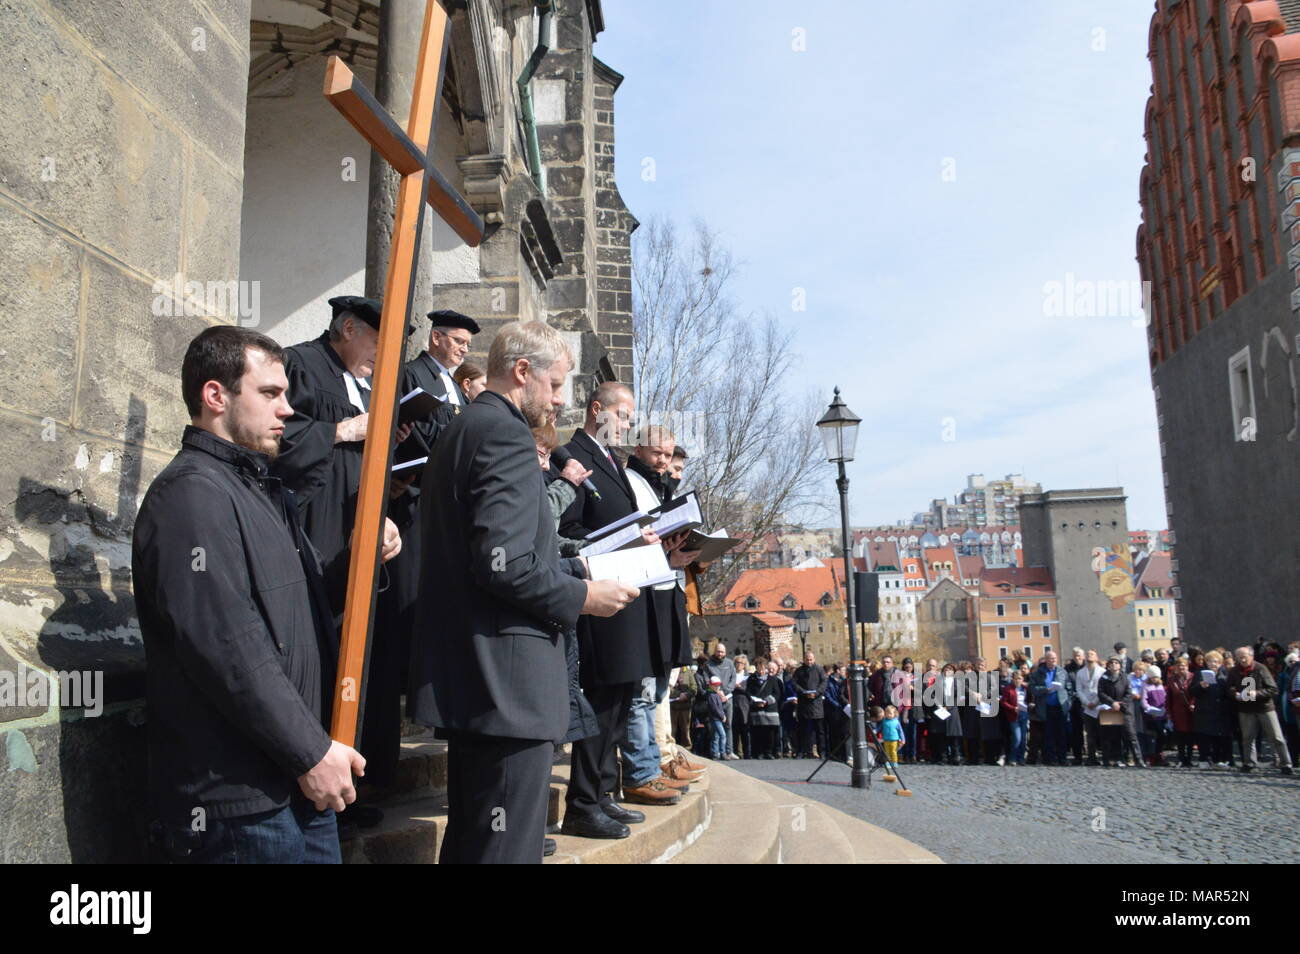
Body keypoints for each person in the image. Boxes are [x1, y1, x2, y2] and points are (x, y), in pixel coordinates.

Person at [134, 326, 402, 863]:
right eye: (270, 394)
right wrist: (311, 753)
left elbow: (302, 611)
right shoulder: (192, 496)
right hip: (240, 801)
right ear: (215, 396)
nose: (288, 410)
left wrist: (357, 557)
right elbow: (228, 649)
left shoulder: (257, 488)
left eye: (285, 393)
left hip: (291, 782)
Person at [407, 321, 640, 862]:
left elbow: (495, 552)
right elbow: (505, 564)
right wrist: (584, 598)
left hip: (482, 681)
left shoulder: (468, 426)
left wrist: (572, 572)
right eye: (556, 384)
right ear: (521, 372)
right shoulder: (504, 432)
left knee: (475, 844)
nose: (560, 401)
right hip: (506, 685)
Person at [557, 382, 679, 830]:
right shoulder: (570, 456)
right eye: (623, 416)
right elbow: (566, 531)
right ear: (597, 410)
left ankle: (604, 791)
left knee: (621, 700)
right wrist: (628, 538)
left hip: (628, 595)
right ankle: (583, 804)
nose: (628, 425)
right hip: (599, 598)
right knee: (601, 702)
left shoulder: (611, 461)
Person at [273, 296, 411, 572]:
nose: (382, 357)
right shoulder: (301, 364)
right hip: (316, 517)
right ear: (349, 329)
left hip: (359, 514)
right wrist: (342, 430)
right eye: (378, 344)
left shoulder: (368, 384)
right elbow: (276, 440)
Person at [619, 424, 702, 790]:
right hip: (643, 592)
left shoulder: (659, 485)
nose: (664, 462)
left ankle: (659, 759)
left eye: (669, 456)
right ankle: (646, 769)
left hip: (667, 586)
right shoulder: (630, 481)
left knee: (661, 683)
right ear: (639, 449)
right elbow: (633, 535)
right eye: (658, 454)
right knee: (643, 690)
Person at [399, 309, 481, 451]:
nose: (465, 350)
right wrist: (459, 436)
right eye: (459, 341)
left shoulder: (454, 384)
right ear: (436, 337)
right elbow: (411, 430)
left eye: (468, 344)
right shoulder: (410, 373)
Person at [1225, 646, 1294, 774]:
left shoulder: (1261, 669)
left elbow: (1273, 689)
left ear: (1251, 656)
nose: (1243, 660)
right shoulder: (1235, 671)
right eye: (1240, 658)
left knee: (1276, 737)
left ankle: (1286, 764)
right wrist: (1235, 693)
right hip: (1245, 709)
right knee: (1248, 737)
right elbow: (1229, 687)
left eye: (1245, 657)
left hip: (1265, 708)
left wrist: (1256, 693)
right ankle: (1249, 763)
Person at [1029, 649, 1069, 766]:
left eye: (1055, 658)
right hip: (1046, 707)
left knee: (1062, 734)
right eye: (1051, 658)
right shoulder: (1037, 673)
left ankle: (1063, 758)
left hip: (1060, 707)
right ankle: (1050, 759)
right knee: (1048, 735)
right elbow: (1032, 688)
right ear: (1046, 660)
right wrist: (1045, 689)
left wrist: (1069, 701)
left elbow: (1069, 688)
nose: (1054, 660)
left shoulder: (1062, 671)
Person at [702, 642, 739, 758]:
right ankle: (716, 752)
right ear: (715, 651)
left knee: (728, 725)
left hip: (728, 698)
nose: (720, 654)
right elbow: (706, 680)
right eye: (718, 651)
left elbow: (733, 678)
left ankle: (729, 751)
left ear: (725, 652)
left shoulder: (729, 663)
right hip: (714, 698)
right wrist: (717, 692)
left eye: (722, 652)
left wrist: (726, 691)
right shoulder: (708, 664)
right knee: (715, 726)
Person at [792, 650, 828, 758]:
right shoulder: (799, 671)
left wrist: (816, 693)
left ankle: (822, 752)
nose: (809, 662)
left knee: (819, 731)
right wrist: (803, 692)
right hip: (804, 703)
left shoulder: (819, 670)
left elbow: (824, 683)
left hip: (816, 704)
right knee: (803, 730)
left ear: (814, 659)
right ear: (804, 659)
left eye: (811, 659)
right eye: (807, 659)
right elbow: (794, 683)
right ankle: (802, 751)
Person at [749, 660, 784, 759]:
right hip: (757, 709)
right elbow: (748, 692)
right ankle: (759, 752)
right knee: (758, 732)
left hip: (770, 710)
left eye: (763, 669)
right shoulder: (751, 679)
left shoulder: (773, 680)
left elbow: (777, 693)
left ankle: (769, 752)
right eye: (759, 669)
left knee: (770, 733)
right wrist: (755, 701)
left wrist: (766, 701)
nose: (761, 671)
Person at [1074, 650, 1104, 765]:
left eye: (1092, 654)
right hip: (1086, 706)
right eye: (1088, 654)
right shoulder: (1081, 672)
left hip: (1099, 704)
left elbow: (1102, 689)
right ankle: (1092, 757)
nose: (1089, 656)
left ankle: (1104, 757)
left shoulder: (1102, 671)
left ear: (1096, 657)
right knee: (1090, 733)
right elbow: (1079, 689)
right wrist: (1086, 702)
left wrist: (1096, 702)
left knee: (1102, 733)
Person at [1165, 658, 1195, 767]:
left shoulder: (1193, 677)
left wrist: (1193, 703)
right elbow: (1169, 697)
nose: (1181, 668)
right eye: (1179, 665)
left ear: (1187, 666)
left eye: (1183, 665)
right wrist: (1168, 711)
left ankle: (1190, 758)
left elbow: (1196, 693)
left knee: (1191, 735)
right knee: (1180, 736)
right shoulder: (1171, 679)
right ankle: (1181, 758)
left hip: (1191, 710)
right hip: (1177, 711)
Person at [1001, 670, 1031, 765]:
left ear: (1022, 679)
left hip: (1024, 714)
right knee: (1017, 737)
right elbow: (1003, 702)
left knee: (1023, 738)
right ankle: (1012, 758)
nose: (1018, 680)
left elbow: (1030, 699)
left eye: (1020, 678)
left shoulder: (1026, 688)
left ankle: (1021, 758)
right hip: (1014, 715)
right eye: (1016, 679)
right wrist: (1013, 708)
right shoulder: (1008, 689)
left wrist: (1030, 704)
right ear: (1013, 679)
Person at [1064, 646, 1087, 765]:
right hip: (1074, 703)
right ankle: (1078, 756)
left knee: (1091, 731)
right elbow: (1066, 684)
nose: (1077, 657)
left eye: (1079, 655)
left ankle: (1091, 755)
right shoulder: (1068, 669)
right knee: (1076, 731)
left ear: (1083, 657)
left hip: (1088, 703)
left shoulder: (1088, 668)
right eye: (1075, 656)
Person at [1141, 672, 1168, 766]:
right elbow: (1144, 701)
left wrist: (1165, 709)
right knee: (1153, 736)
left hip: (1162, 714)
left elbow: (1165, 699)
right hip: (1151, 716)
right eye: (1152, 677)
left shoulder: (1161, 686)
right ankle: (1152, 756)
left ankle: (1159, 754)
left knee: (1162, 735)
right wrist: (1149, 710)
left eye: (1156, 677)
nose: (1154, 679)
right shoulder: (1146, 686)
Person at [732, 655, 753, 759]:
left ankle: (747, 753)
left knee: (745, 730)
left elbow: (748, 690)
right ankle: (735, 752)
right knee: (734, 729)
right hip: (733, 703)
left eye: (741, 663)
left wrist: (739, 687)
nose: (739, 665)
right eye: (737, 663)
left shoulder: (748, 676)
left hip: (744, 705)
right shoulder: (731, 675)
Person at [706, 677, 728, 760]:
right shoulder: (711, 695)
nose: (717, 687)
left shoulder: (716, 694)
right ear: (711, 686)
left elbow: (720, 706)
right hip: (716, 718)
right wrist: (722, 716)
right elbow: (715, 708)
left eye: (718, 685)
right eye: (715, 686)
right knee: (722, 735)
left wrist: (722, 697)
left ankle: (715, 753)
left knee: (716, 736)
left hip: (717, 718)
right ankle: (722, 753)